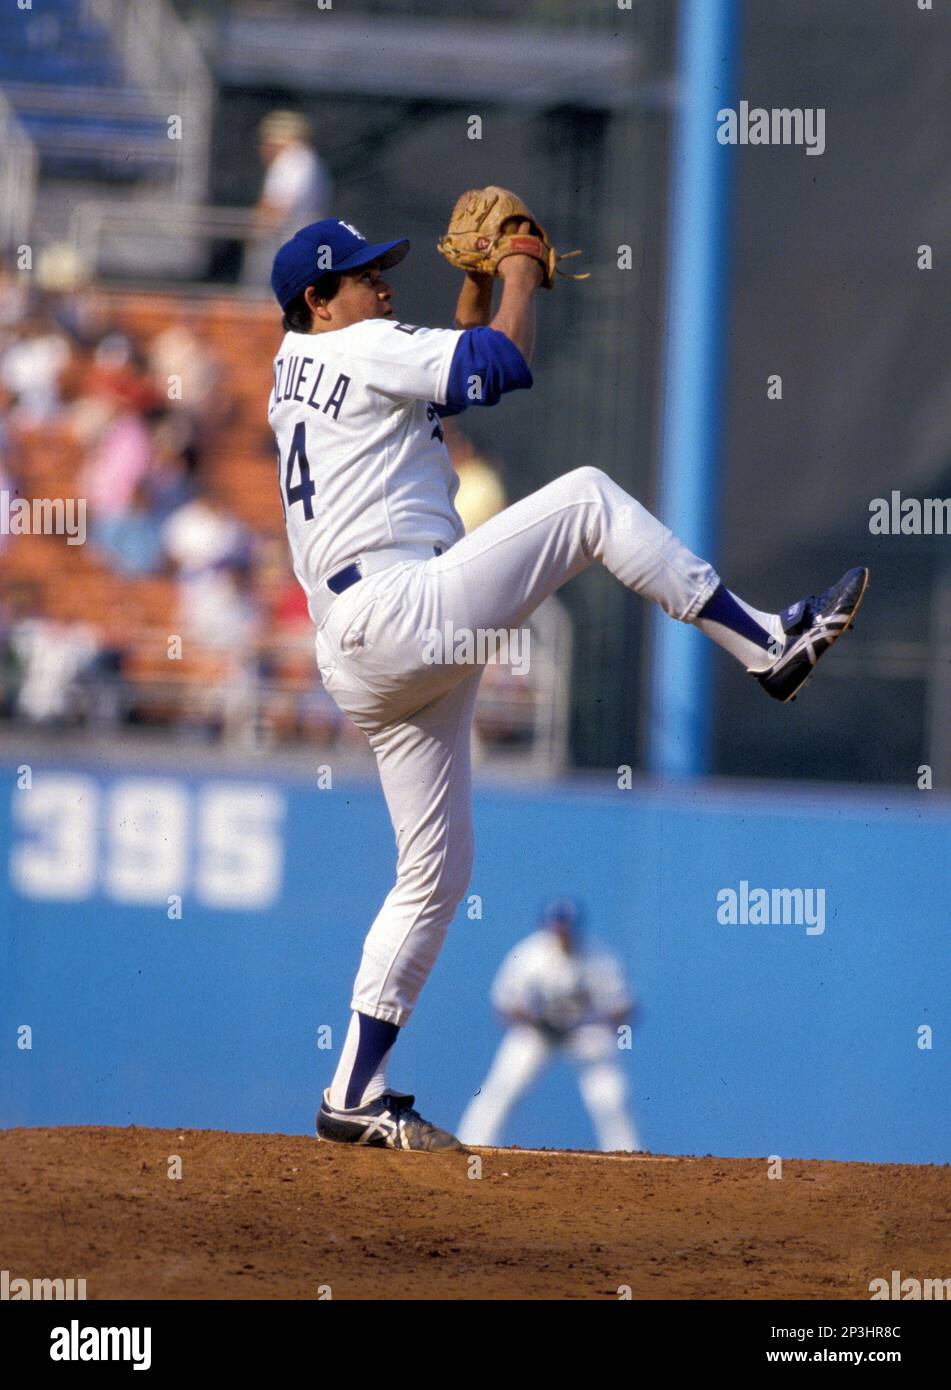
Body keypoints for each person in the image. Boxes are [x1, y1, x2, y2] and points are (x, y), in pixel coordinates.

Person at [266, 213, 867, 1152]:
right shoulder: (364, 348)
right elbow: (500, 363)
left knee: (434, 875)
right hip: (400, 609)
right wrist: (514, 267)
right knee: (587, 496)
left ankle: (350, 1089)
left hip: (369, 648)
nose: (384, 285)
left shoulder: (296, 370)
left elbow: (455, 387)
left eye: (385, 270)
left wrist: (488, 291)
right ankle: (764, 645)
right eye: (365, 275)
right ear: (317, 299)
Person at [457, 899, 640, 1152]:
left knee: (611, 1096)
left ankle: (627, 1154)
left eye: (565, 925)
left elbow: (625, 1007)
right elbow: (504, 1004)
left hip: (584, 1032)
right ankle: (471, 1145)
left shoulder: (598, 957)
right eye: (556, 925)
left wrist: (598, 1022)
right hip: (538, 1032)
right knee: (502, 1087)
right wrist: (537, 1020)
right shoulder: (529, 954)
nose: (561, 931)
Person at [243, 111, 331, 287]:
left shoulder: (293, 159)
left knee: (267, 303)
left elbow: (277, 206)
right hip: (294, 245)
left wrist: (253, 232)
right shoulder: (305, 160)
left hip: (285, 245)